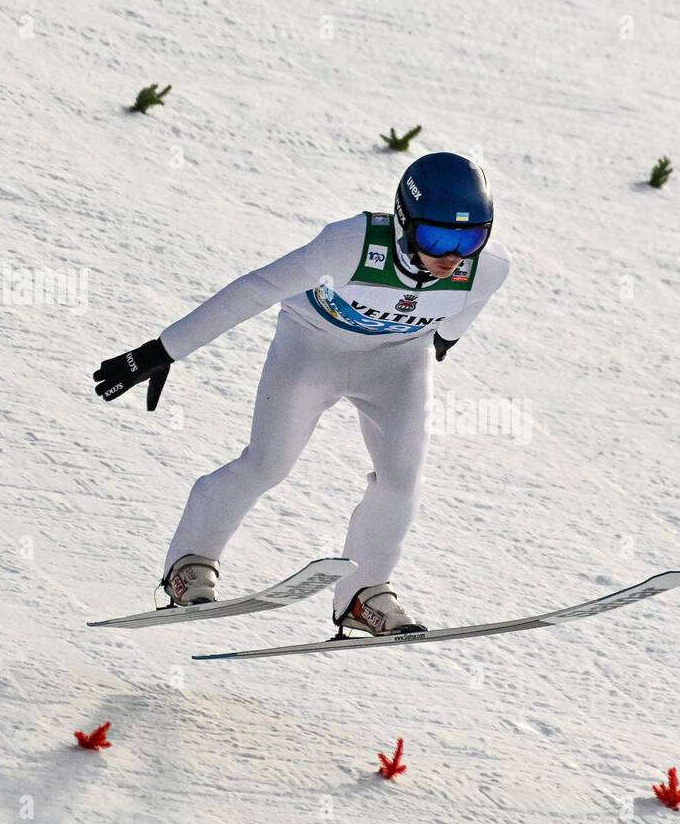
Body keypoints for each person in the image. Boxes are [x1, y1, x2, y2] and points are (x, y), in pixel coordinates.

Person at [93, 152, 511, 635]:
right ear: (402, 221)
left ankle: (365, 593)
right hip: (311, 348)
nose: (452, 255)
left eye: (471, 238)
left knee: (401, 483)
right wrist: (162, 350)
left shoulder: (490, 268)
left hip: (397, 362)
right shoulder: (349, 244)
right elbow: (256, 290)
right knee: (269, 463)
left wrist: (435, 342)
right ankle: (191, 560)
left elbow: (456, 320)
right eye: (436, 236)